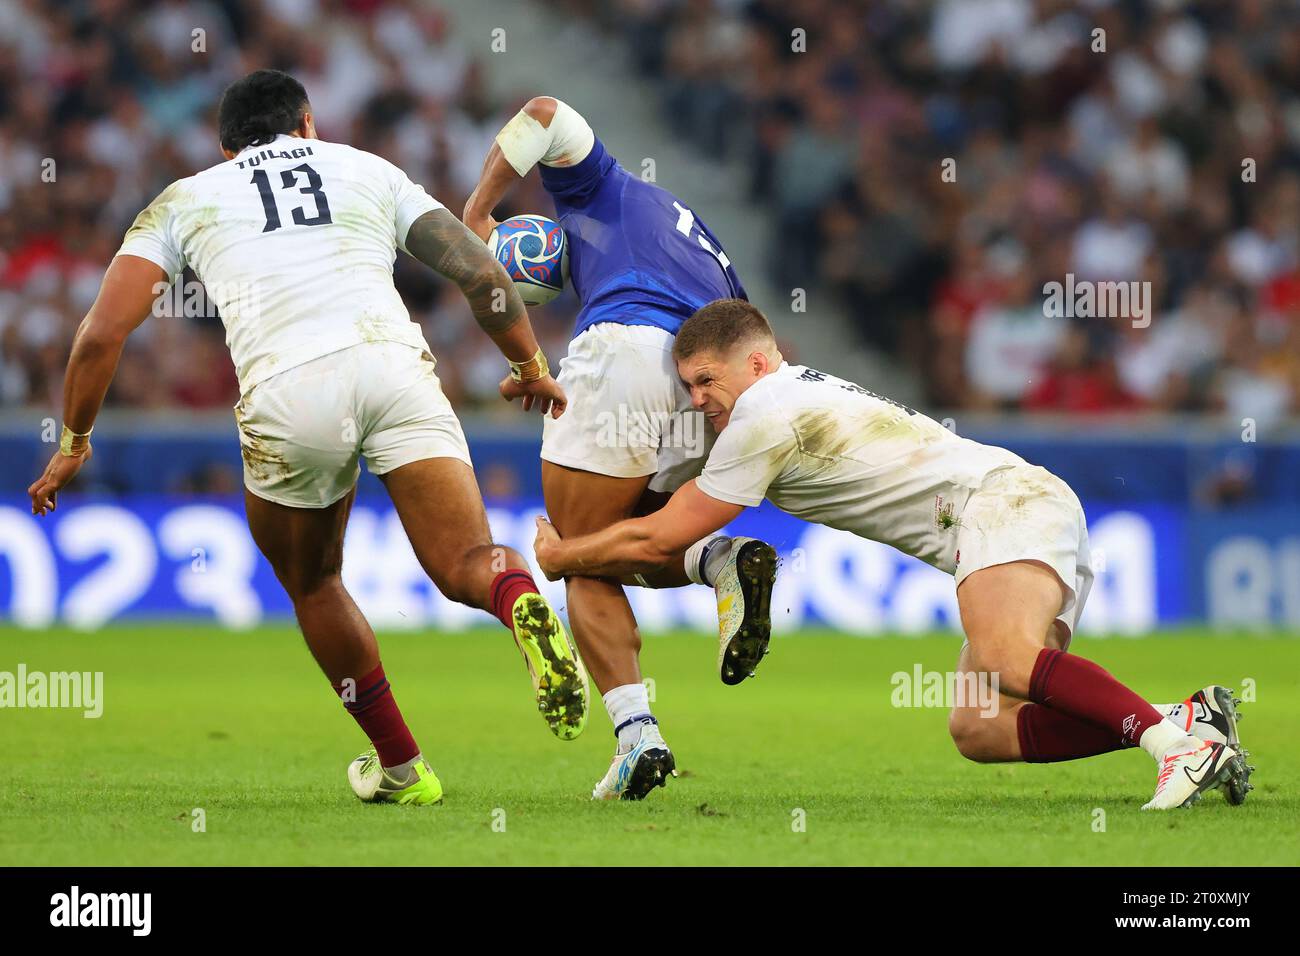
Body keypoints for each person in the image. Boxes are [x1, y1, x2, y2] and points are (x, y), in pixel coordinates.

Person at [28, 70, 588, 808]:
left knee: (314, 580)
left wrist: (74, 439)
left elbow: (101, 332)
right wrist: (529, 365)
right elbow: (479, 270)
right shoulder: (367, 168)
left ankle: (401, 766)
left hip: (290, 391)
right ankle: (515, 592)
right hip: (394, 367)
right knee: (465, 563)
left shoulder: (188, 197)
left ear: (226, 148)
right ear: (308, 122)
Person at [532, 298, 1255, 810]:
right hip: (1016, 508)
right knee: (979, 729)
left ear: (755, 362)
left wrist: (564, 554)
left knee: (1005, 658)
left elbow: (663, 537)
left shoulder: (764, 412)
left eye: (705, 381)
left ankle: (1174, 749)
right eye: (687, 385)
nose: (695, 400)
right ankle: (1187, 721)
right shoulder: (775, 401)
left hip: (999, 505)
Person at [463, 97, 778, 800]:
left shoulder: (597, 187)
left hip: (628, 351)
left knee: (582, 549)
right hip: (717, 379)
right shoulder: (693, 237)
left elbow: (543, 112)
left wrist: (477, 211)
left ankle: (637, 734)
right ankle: (715, 558)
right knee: (627, 537)